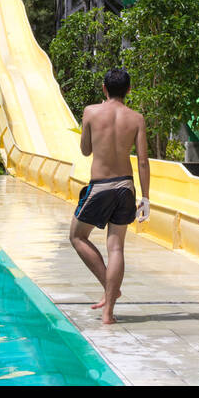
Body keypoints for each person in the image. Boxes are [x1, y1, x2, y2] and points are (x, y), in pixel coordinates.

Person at [71, 68, 150, 325]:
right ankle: (108, 313)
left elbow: (85, 150)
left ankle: (110, 288)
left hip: (101, 185)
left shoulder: (91, 112)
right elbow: (143, 162)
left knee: (77, 236)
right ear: (129, 90)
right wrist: (146, 199)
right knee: (116, 247)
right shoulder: (136, 118)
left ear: (104, 88)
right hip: (126, 186)